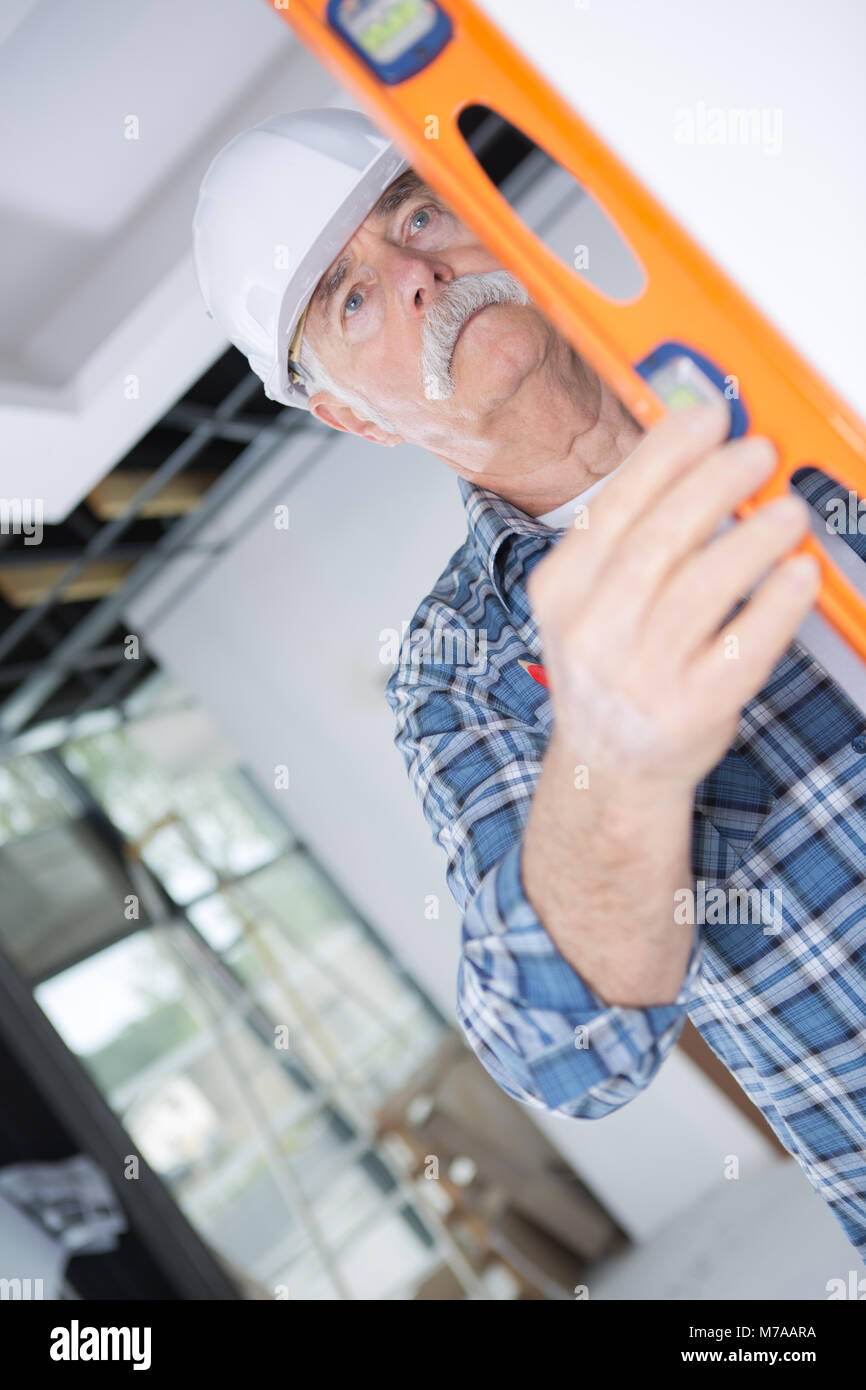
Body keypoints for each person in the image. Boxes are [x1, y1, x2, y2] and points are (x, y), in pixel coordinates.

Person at [193, 108, 866, 1258]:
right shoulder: (465, 672)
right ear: (350, 416)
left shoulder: (774, 356)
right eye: (350, 299)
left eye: (414, 214)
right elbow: (565, 1054)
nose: (415, 271)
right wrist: (616, 760)